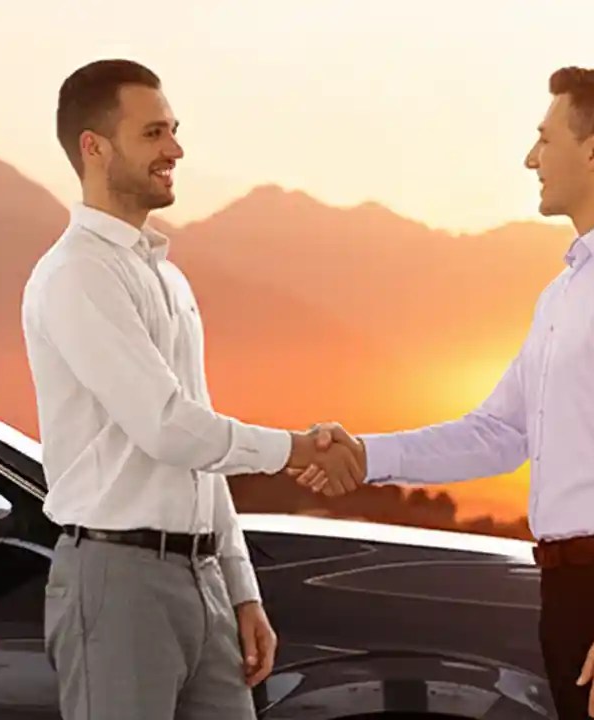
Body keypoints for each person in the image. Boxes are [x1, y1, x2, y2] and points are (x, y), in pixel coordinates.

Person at [298, 66, 594, 719]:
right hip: (571, 594)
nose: (532, 158)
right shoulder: (566, 292)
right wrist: (365, 455)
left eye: (545, 139)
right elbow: (499, 432)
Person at [21, 59, 362, 720]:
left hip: (202, 581)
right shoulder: (77, 275)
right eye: (153, 133)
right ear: (94, 147)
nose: (175, 150)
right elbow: (167, 426)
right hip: (118, 584)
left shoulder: (165, 278)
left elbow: (199, 441)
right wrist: (298, 449)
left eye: (174, 131)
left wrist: (241, 589)